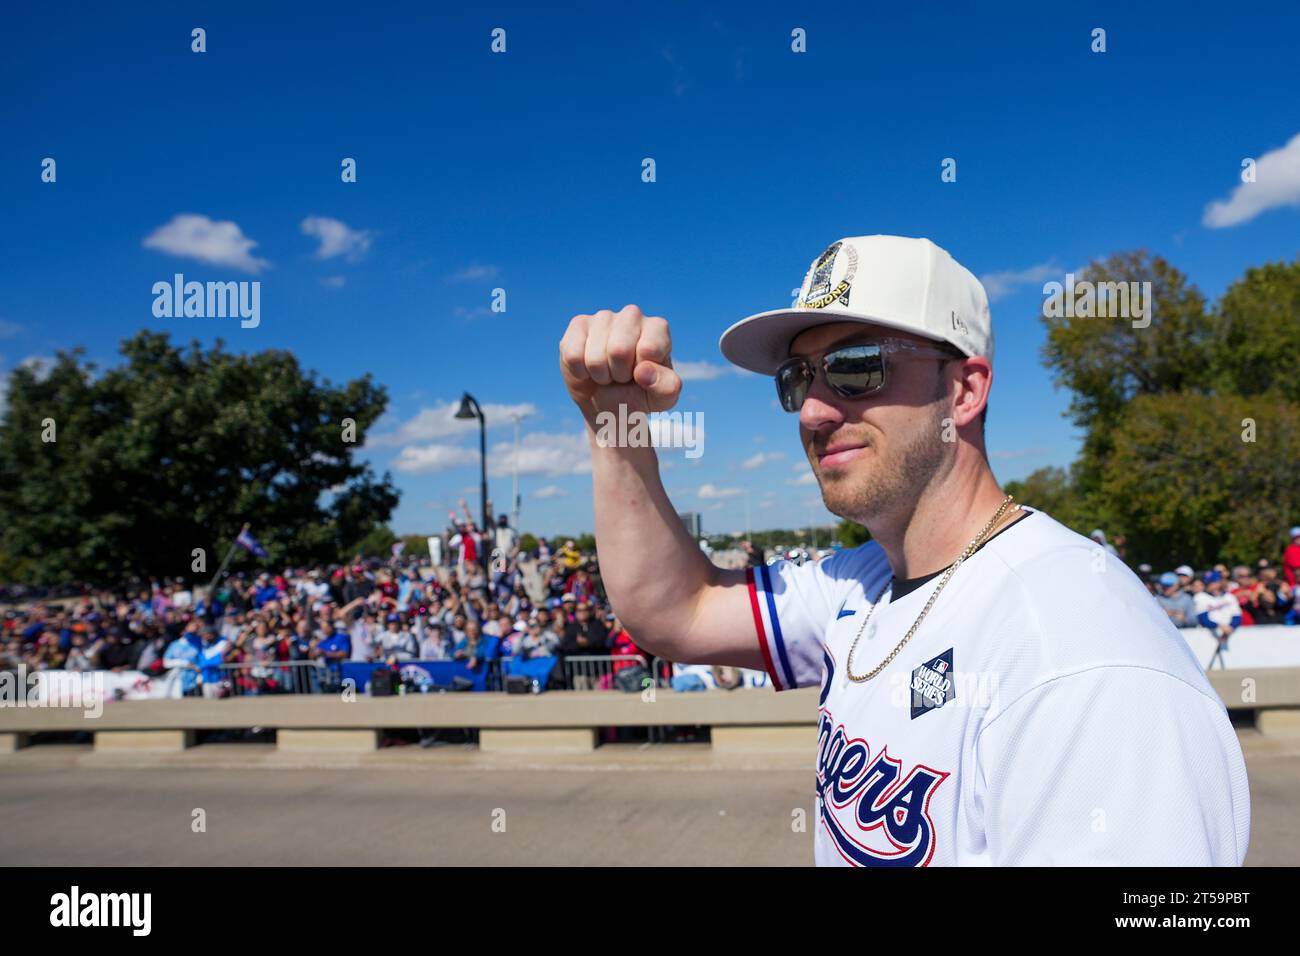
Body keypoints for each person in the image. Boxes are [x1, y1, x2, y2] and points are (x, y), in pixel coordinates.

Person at [559, 234, 1249, 866]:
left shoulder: (1082, 656)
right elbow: (676, 610)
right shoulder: (862, 581)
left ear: (964, 390)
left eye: (856, 367)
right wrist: (613, 424)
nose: (813, 411)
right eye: (797, 378)